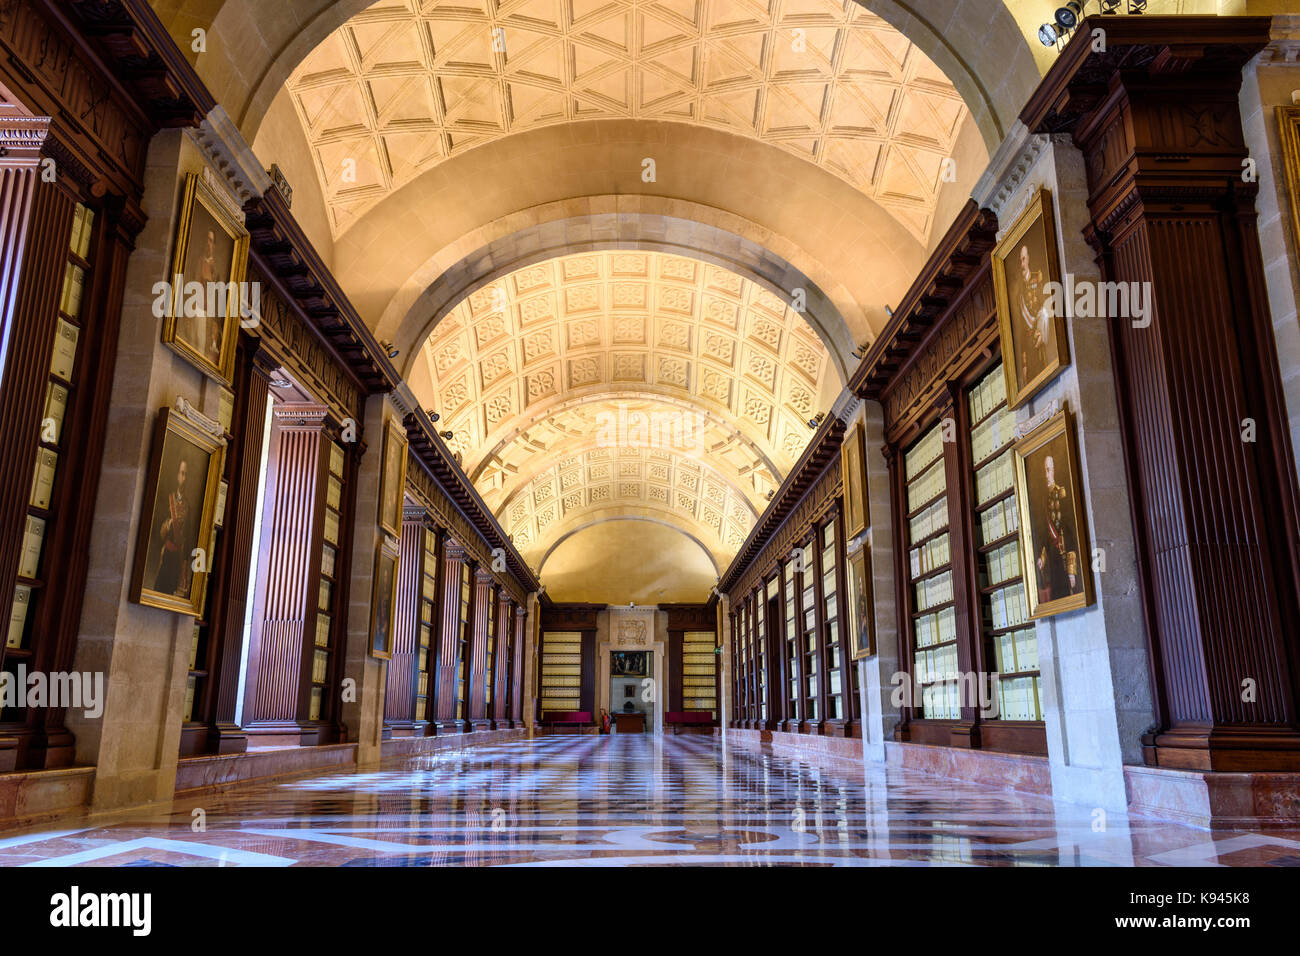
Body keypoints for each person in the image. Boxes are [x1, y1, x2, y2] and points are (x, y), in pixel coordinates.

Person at [1032, 454, 1079, 603]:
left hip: (1063, 556)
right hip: (1052, 558)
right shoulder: (1041, 499)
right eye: (1044, 471)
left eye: (1049, 470)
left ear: (1054, 470)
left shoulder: (1061, 493)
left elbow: (1070, 532)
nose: (1046, 475)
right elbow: (1044, 535)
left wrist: (1072, 572)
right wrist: (1042, 558)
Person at [1008, 243, 1051, 386]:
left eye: (1024, 259)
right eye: (1020, 260)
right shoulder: (1018, 286)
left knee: (1044, 368)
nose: (1022, 264)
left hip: (1038, 333)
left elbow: (1044, 307)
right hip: (1027, 339)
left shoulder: (1036, 277)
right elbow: (1020, 322)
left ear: (1029, 259)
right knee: (1032, 375)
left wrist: (1040, 331)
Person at [154, 456, 193, 597]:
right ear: (177, 475)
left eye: (186, 474)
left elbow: (188, 540)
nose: (184, 477)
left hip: (178, 559)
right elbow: (158, 532)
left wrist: (184, 569)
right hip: (166, 556)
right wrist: (167, 525)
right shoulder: (167, 500)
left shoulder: (188, 506)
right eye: (182, 473)